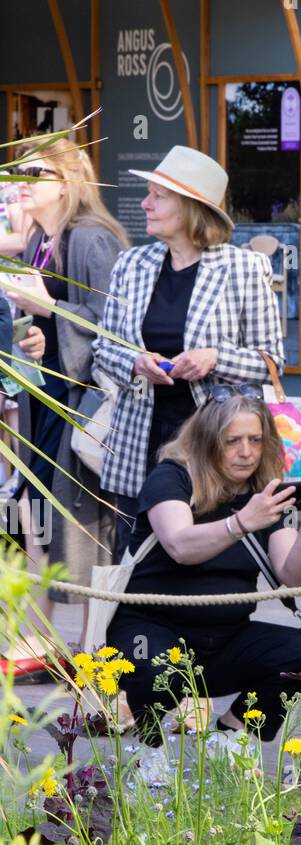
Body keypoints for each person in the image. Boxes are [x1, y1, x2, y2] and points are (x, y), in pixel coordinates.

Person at [106, 391, 301, 747]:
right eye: (233, 441)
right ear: (208, 442)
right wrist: (242, 522)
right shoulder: (172, 477)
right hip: (150, 629)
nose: (246, 452)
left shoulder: (265, 493)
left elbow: (292, 576)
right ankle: (146, 749)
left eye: (255, 440)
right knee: (156, 667)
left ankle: (231, 738)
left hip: (226, 637)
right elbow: (180, 546)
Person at [93, 146, 284, 560]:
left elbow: (272, 362)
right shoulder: (131, 264)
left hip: (211, 446)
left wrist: (214, 358)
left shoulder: (243, 268)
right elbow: (102, 348)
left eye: (158, 196)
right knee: (133, 562)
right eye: (148, 193)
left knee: (202, 563)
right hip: (138, 443)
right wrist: (134, 362)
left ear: (192, 207)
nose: (145, 203)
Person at [2, 137, 128, 672]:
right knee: (37, 512)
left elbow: (118, 325)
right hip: (49, 400)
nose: (22, 184)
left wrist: (49, 306)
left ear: (69, 179)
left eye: (36, 174)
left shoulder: (91, 239)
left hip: (81, 405)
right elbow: (50, 326)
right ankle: (46, 640)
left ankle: (88, 645)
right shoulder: (45, 242)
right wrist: (37, 334)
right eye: (18, 174)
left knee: (81, 520)